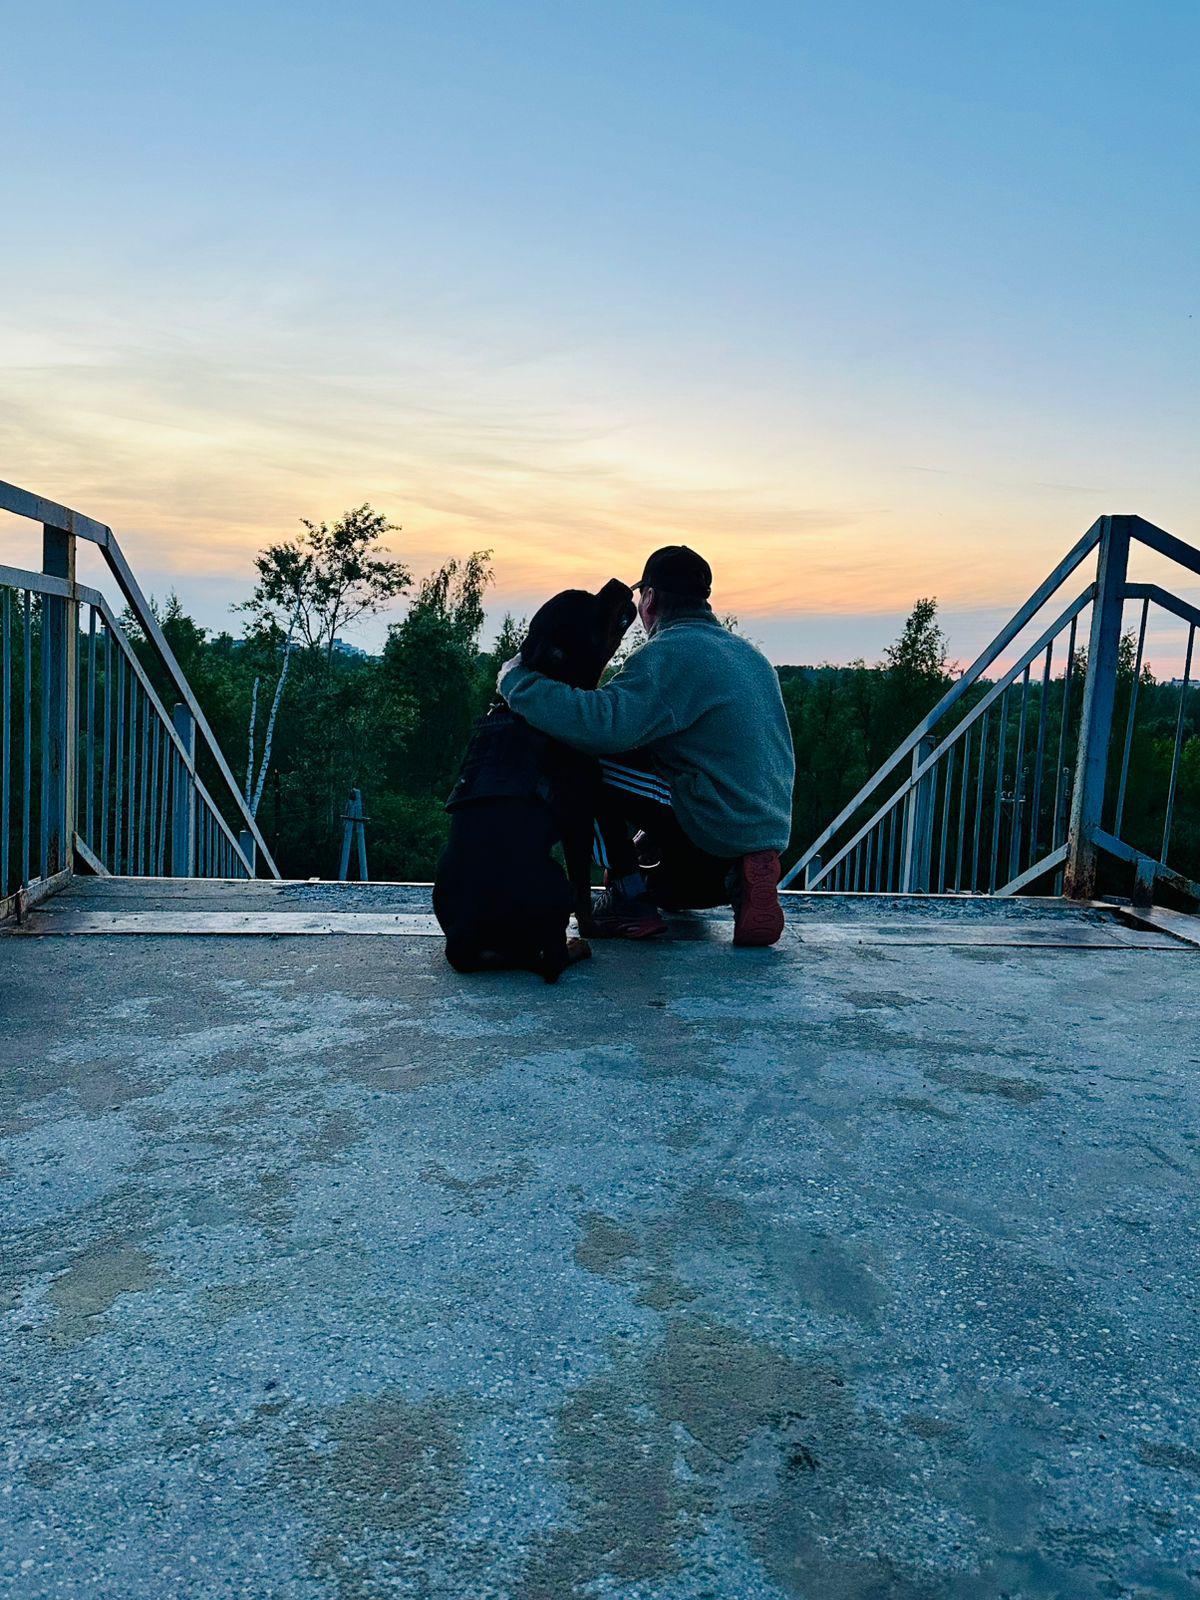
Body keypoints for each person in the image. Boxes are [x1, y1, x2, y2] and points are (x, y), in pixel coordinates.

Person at [497, 545, 795, 946]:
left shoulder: (668, 652)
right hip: (754, 834)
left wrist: (517, 682)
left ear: (650, 599)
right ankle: (740, 876)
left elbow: (600, 726)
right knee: (663, 888)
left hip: (713, 829)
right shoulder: (748, 655)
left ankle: (625, 893)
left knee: (577, 758)